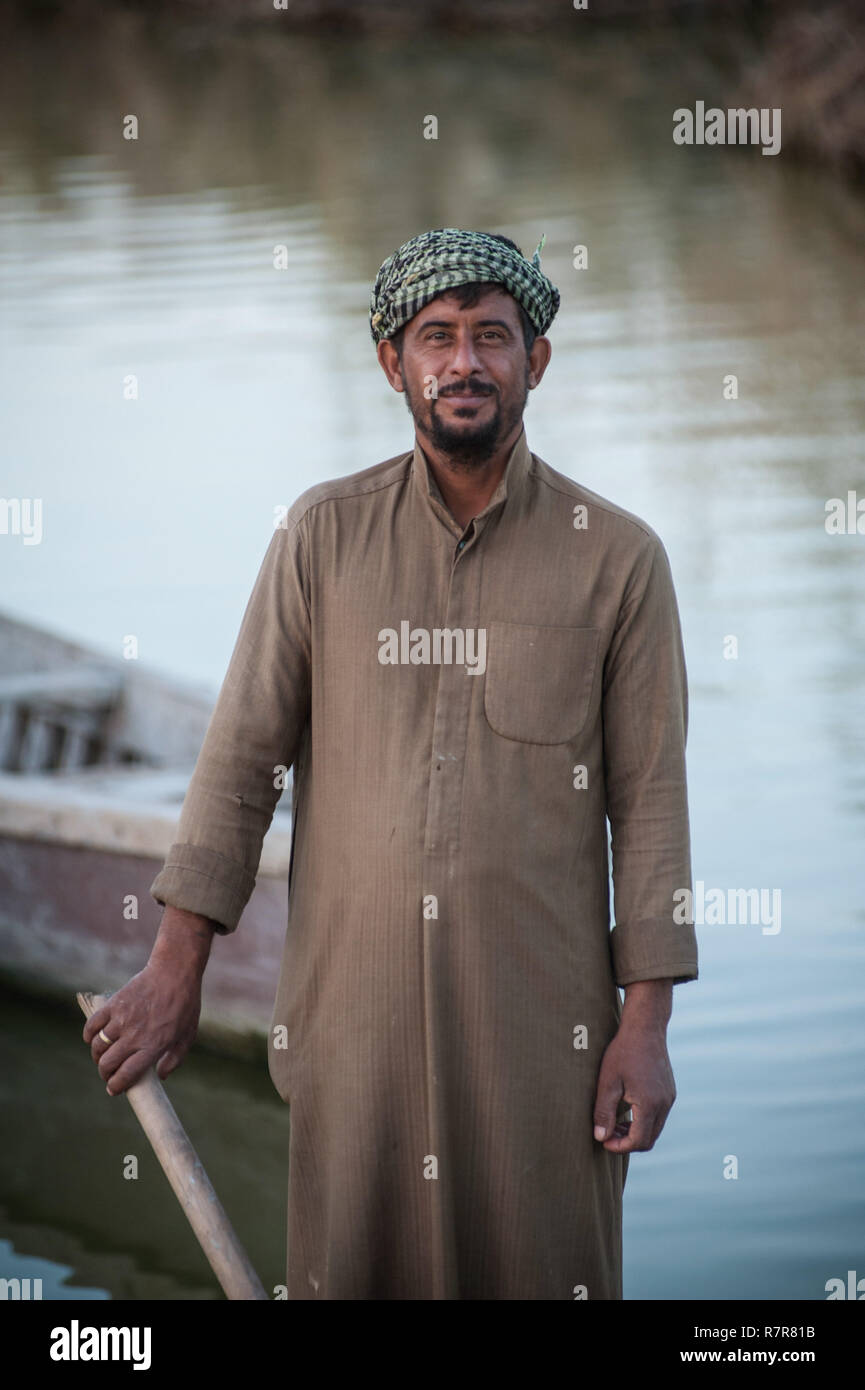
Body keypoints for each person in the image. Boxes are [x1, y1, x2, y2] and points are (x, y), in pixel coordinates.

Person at [84, 227, 698, 1300]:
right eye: (437, 338)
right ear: (391, 363)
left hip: (541, 1040)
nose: (464, 363)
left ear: (534, 362)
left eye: (492, 339)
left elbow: (650, 814)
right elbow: (239, 766)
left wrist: (644, 1028)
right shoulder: (320, 539)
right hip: (350, 1032)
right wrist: (175, 966)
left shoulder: (619, 560)